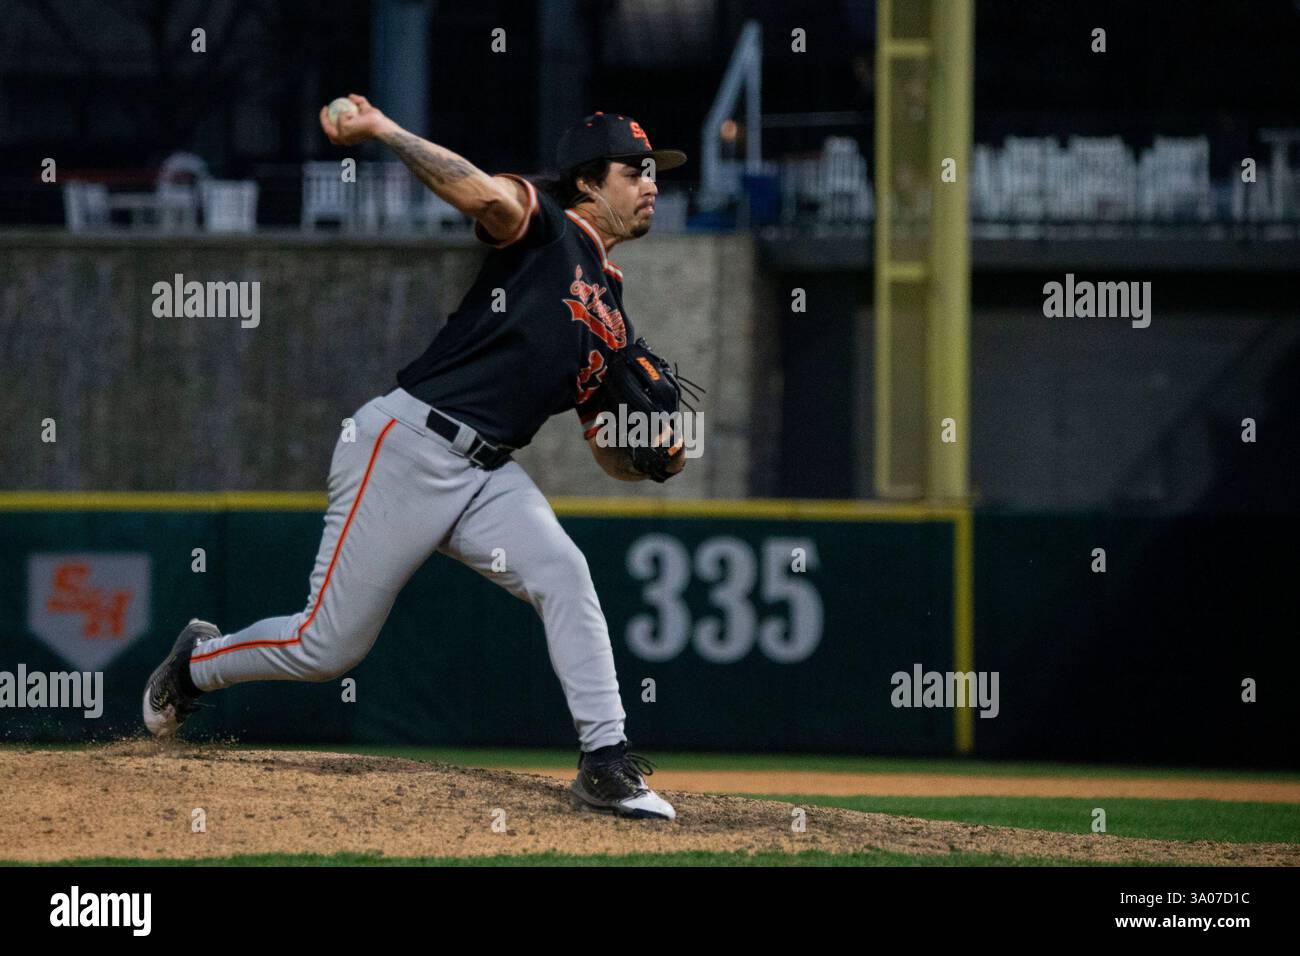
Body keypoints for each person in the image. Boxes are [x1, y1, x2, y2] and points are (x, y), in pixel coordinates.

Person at [142, 96, 689, 821]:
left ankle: (606, 762)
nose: (651, 182)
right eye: (635, 170)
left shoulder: (613, 315)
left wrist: (656, 459)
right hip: (408, 444)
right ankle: (193, 669)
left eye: (654, 172)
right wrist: (384, 131)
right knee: (324, 648)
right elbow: (483, 193)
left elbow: (608, 458)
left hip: (488, 472)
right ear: (589, 181)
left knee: (564, 572)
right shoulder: (547, 231)